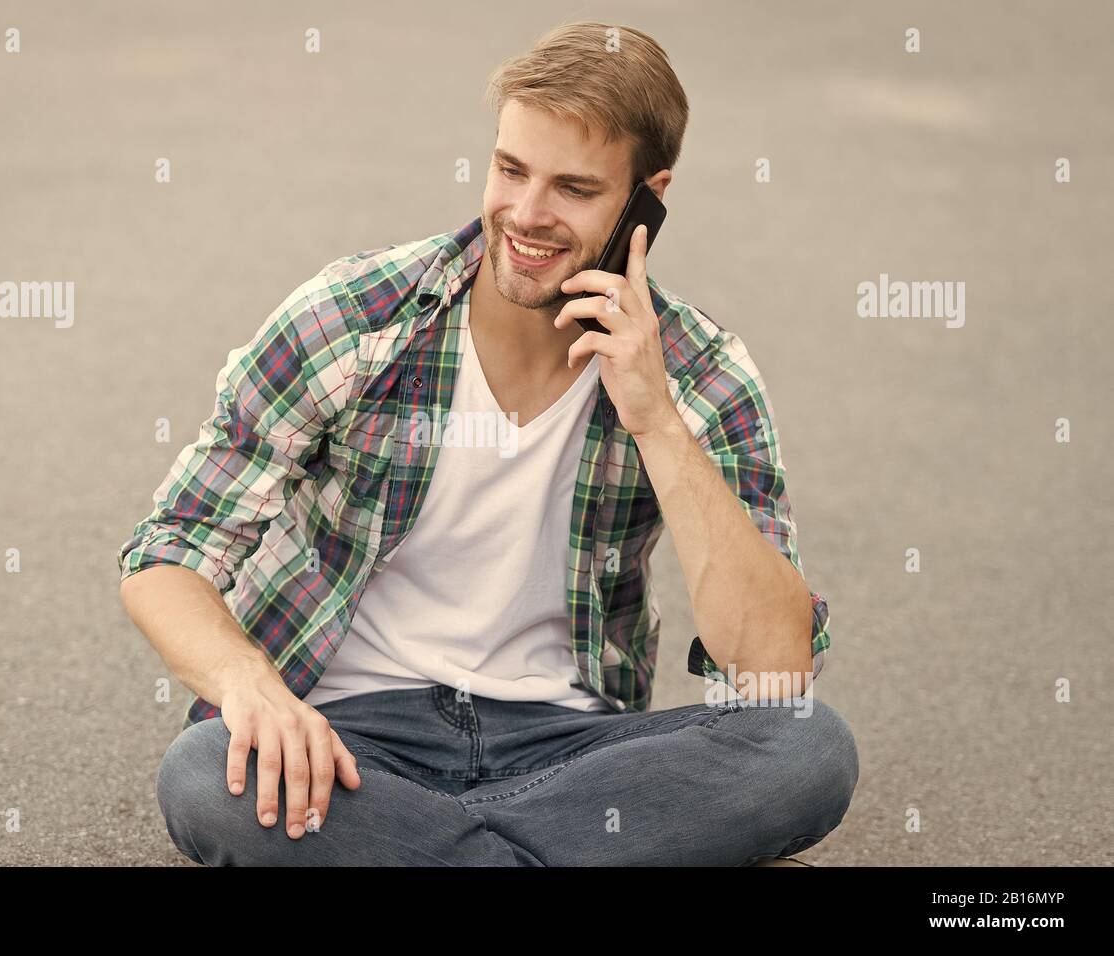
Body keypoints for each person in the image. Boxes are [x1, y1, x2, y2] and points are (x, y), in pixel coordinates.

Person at [116, 20, 858, 866]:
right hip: (351, 737)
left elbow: (771, 670)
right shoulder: (356, 316)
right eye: (511, 171)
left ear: (647, 199)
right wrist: (248, 684)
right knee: (206, 774)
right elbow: (168, 551)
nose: (526, 215)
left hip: (569, 749)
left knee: (808, 748)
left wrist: (655, 418)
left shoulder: (700, 374)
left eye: (574, 189)